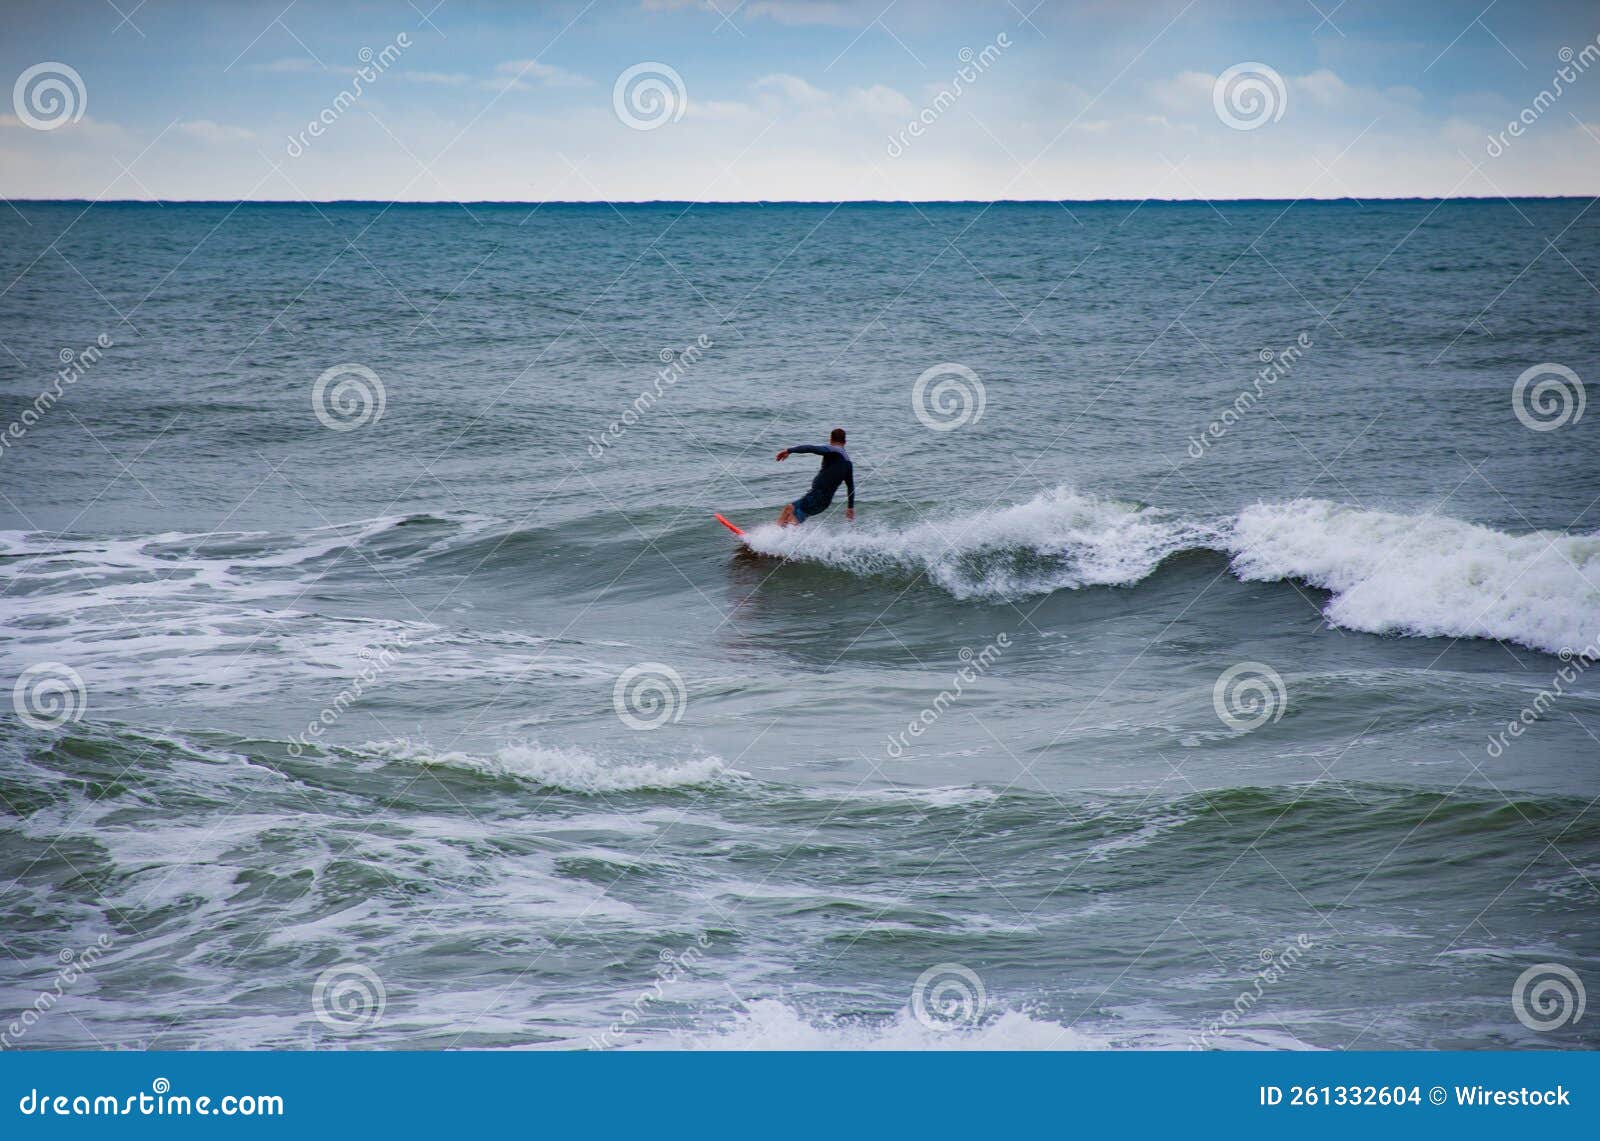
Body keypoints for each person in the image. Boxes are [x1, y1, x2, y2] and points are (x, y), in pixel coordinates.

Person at [775, 428, 855, 526]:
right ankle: (778, 535)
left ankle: (779, 537)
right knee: (791, 512)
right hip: (825, 501)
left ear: (830, 440)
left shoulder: (833, 450)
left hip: (817, 496)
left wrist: (789, 450)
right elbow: (850, 486)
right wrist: (850, 507)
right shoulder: (848, 463)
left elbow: (811, 448)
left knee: (791, 513)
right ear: (845, 442)